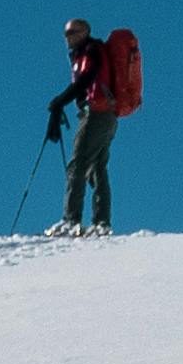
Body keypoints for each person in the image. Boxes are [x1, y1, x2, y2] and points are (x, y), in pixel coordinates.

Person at [44, 13, 140, 229]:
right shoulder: (87, 53)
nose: (68, 37)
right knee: (97, 167)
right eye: (66, 33)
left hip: (96, 113)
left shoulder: (92, 51)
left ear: (85, 32)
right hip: (107, 115)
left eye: (72, 32)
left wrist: (60, 101)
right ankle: (101, 222)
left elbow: (87, 79)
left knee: (78, 164)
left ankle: (71, 219)